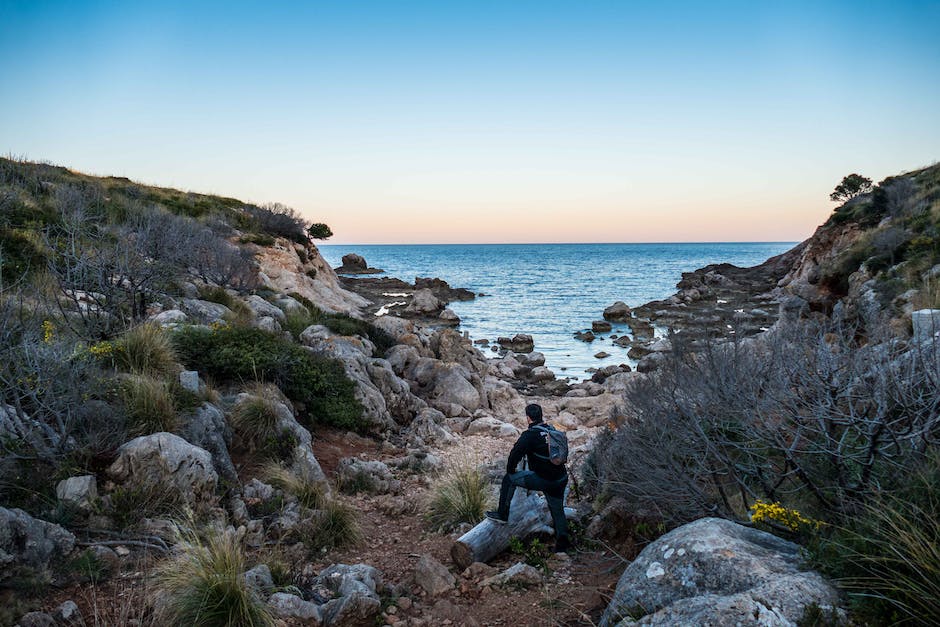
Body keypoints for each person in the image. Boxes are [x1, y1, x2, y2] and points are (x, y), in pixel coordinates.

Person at [485, 403, 571, 552]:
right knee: (557, 510)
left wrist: (510, 470)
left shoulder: (529, 435)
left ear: (528, 418)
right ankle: (562, 545)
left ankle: (502, 514)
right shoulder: (551, 430)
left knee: (509, 479)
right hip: (561, 478)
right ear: (541, 415)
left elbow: (514, 454)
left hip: (545, 480)